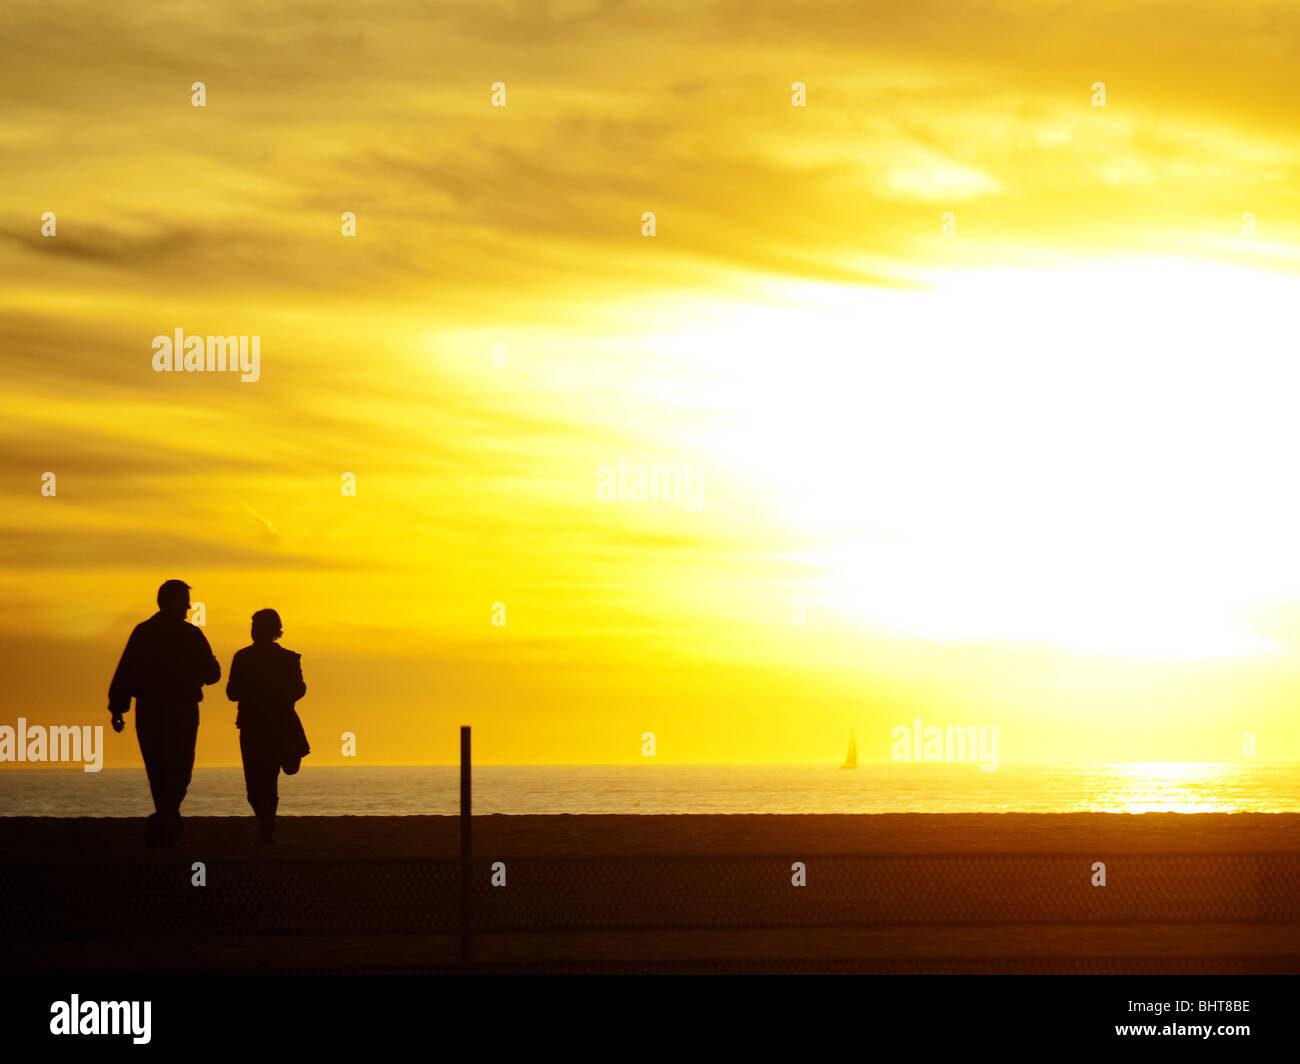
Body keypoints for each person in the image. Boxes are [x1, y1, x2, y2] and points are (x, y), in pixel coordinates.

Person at [108, 579, 221, 846]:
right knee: (179, 767)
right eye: (184, 601)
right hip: (180, 710)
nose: (189, 607)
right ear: (171, 602)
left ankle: (165, 818)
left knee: (158, 768)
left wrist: (118, 708)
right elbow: (213, 674)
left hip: (151, 710)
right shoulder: (191, 635)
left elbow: (125, 671)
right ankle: (168, 818)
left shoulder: (144, 632)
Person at [226, 609, 308, 844]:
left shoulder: (245, 658)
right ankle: (266, 820)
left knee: (258, 779)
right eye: (253, 626)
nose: (253, 631)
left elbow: (232, 693)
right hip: (269, 725)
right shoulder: (285, 658)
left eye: (256, 627)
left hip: (262, 726)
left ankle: (265, 819)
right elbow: (299, 689)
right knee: (264, 778)